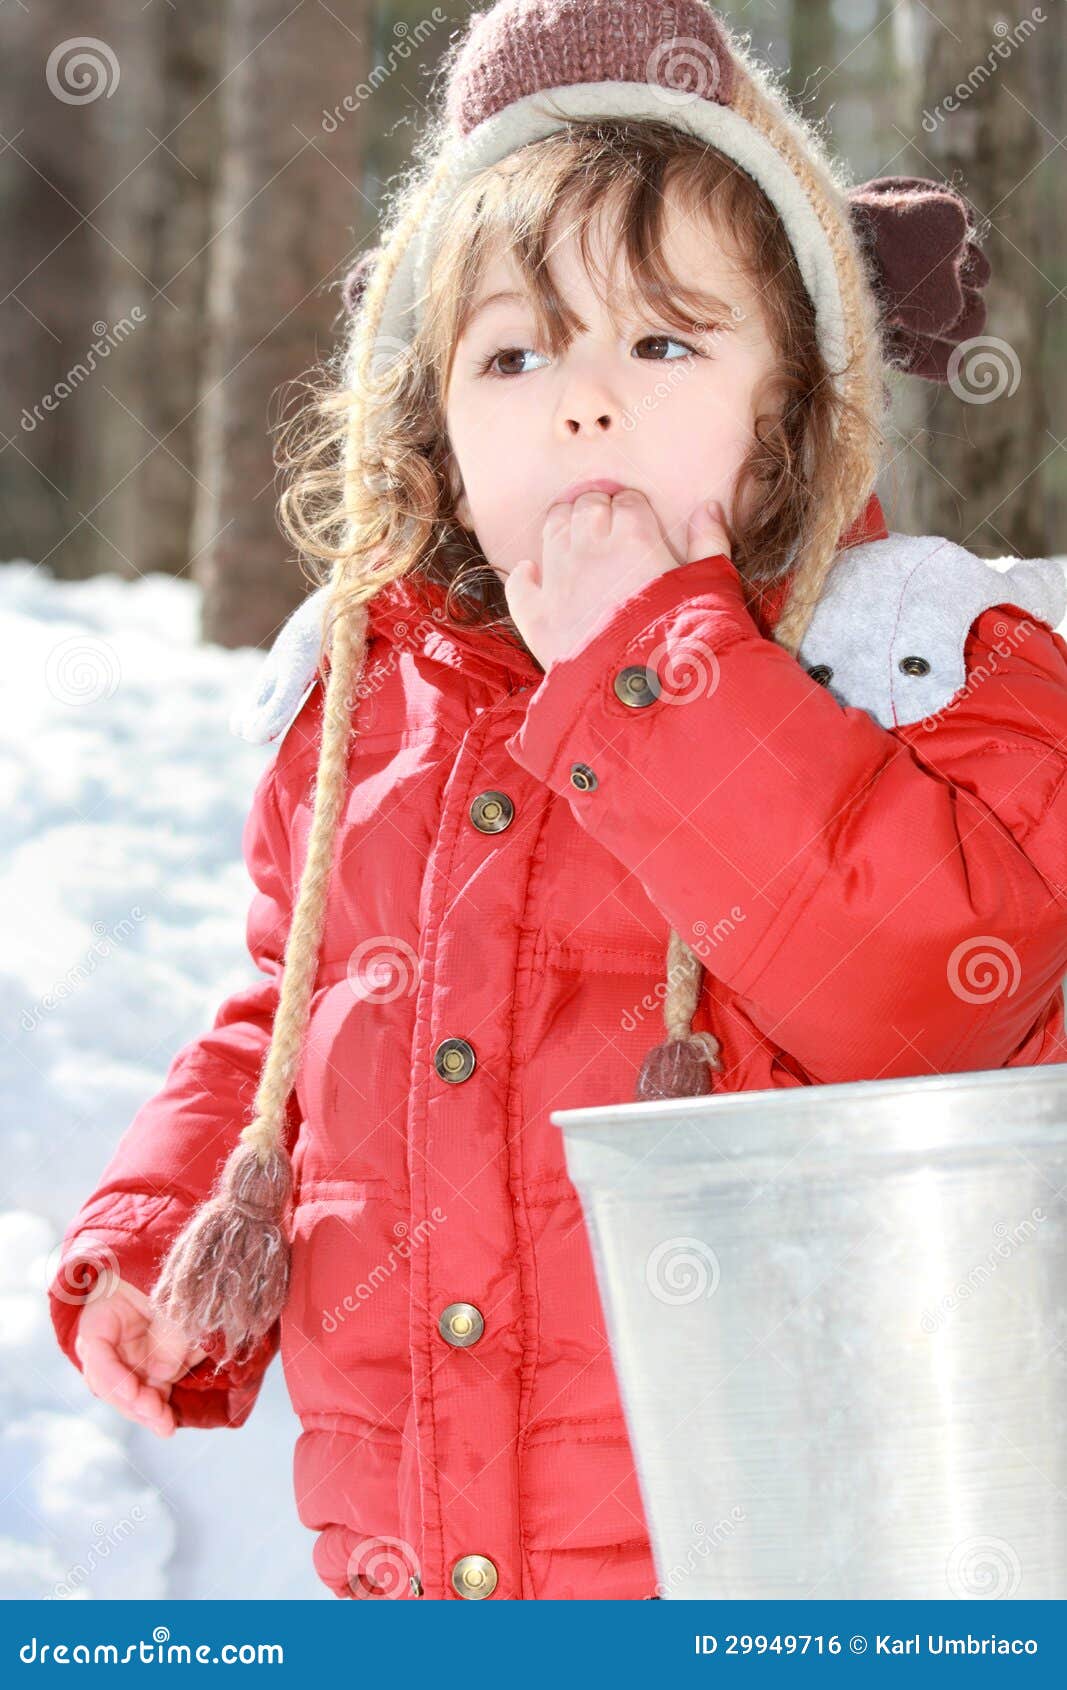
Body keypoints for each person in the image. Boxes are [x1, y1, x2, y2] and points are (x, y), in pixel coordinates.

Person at [48, 0, 1067, 1602]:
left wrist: (661, 668)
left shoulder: (919, 659)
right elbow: (289, 1019)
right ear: (436, 427)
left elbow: (952, 991)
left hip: (790, 1582)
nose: (583, 400)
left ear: (797, 403)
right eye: (516, 353)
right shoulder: (365, 706)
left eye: (663, 342)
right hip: (422, 1583)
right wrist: (173, 1224)